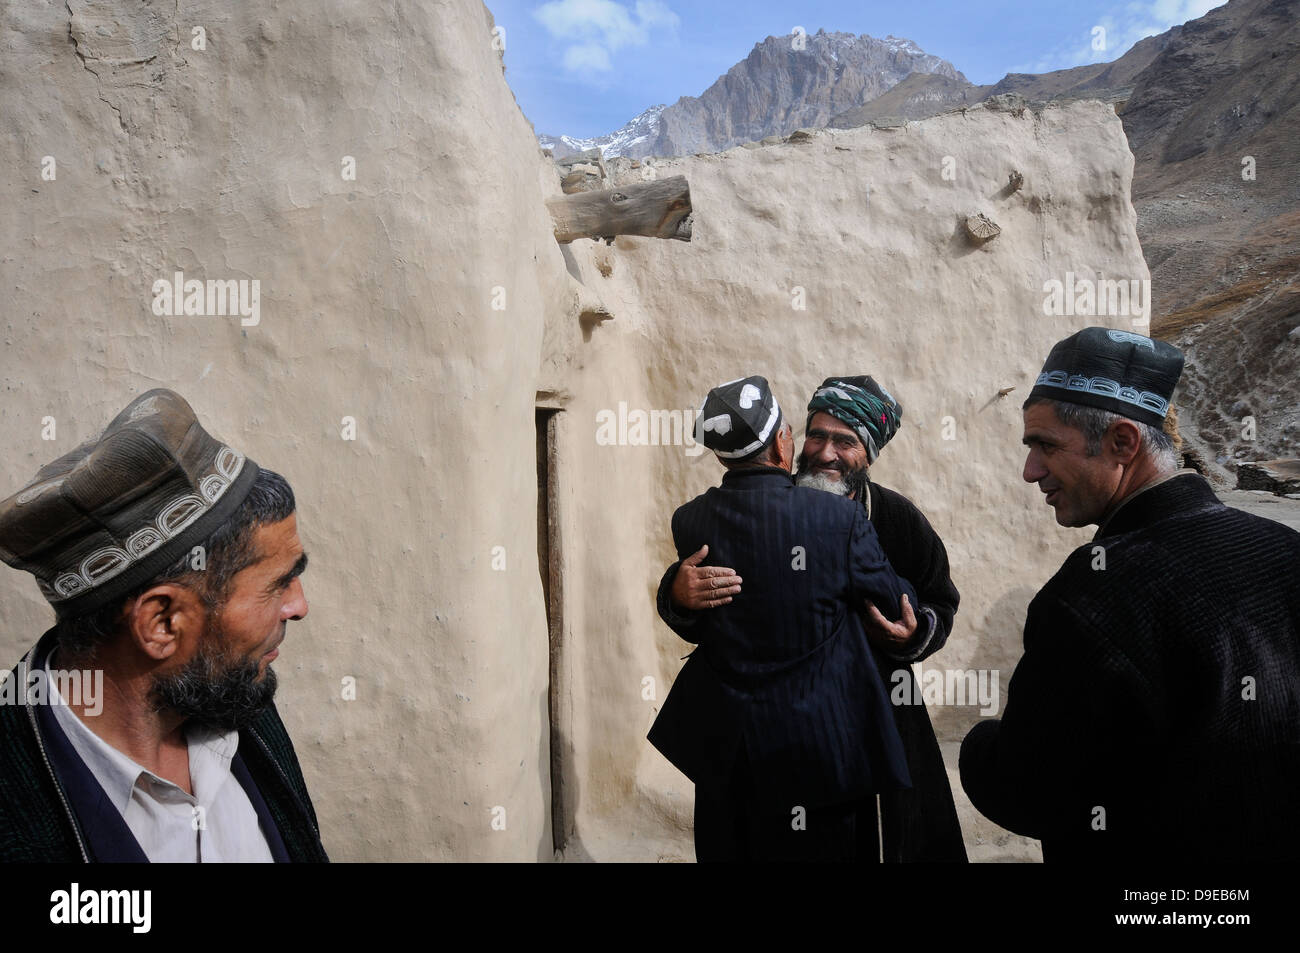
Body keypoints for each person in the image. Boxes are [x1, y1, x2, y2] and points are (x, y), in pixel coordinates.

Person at [959, 327, 1300, 861]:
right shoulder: (1285, 549)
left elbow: (1028, 790)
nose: (1030, 473)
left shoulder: (1097, 592)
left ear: (1123, 443)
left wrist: (981, 745)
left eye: (1045, 446)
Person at [0, 389, 328, 862]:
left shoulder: (237, 708)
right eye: (279, 584)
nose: (298, 606)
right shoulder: (15, 811)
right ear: (162, 623)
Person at [658, 376, 967, 862]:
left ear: (868, 452)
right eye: (817, 436)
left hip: (867, 722)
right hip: (755, 739)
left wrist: (915, 633)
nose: (825, 453)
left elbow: (938, 602)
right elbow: (715, 612)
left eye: (845, 442)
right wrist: (677, 594)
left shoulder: (898, 520)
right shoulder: (738, 516)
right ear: (791, 441)